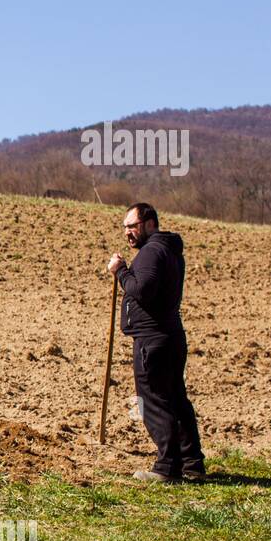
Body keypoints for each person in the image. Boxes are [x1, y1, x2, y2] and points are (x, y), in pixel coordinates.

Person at [108, 203, 205, 482]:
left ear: (150, 223)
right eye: (125, 227)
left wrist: (121, 271)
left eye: (132, 226)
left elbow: (144, 290)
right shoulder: (170, 251)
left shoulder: (151, 252)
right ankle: (192, 464)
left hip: (153, 340)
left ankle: (167, 468)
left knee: (154, 402)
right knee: (176, 399)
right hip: (172, 336)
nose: (128, 232)